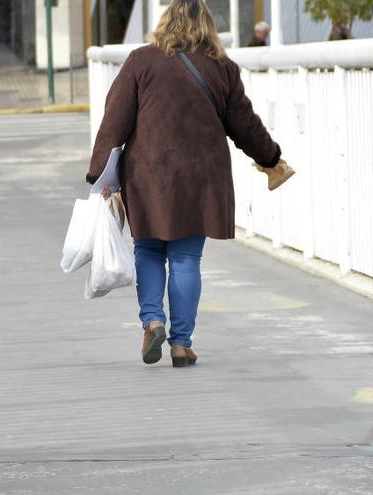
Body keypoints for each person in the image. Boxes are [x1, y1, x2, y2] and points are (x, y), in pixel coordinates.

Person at [85, 0, 284, 367]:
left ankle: (152, 321)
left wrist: (100, 173)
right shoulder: (222, 68)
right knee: (186, 258)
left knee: (147, 250)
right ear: (208, 25)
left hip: (147, 174)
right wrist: (271, 158)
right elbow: (245, 125)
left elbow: (115, 119)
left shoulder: (141, 61)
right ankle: (181, 343)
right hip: (200, 178)